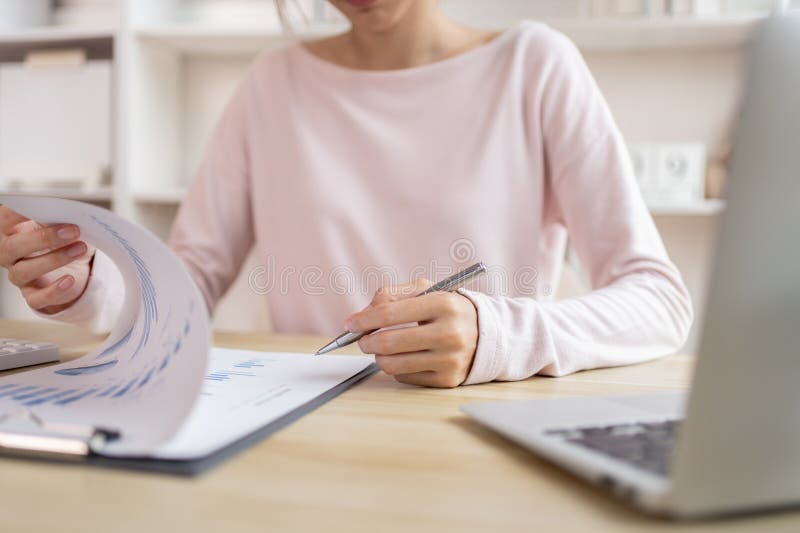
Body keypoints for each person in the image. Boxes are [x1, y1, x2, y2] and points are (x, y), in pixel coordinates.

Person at [0, 0, 693, 388]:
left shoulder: (535, 65)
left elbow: (659, 299)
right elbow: (186, 286)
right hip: (301, 420)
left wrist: (498, 334)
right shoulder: (272, 84)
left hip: (478, 422)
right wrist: (84, 283)